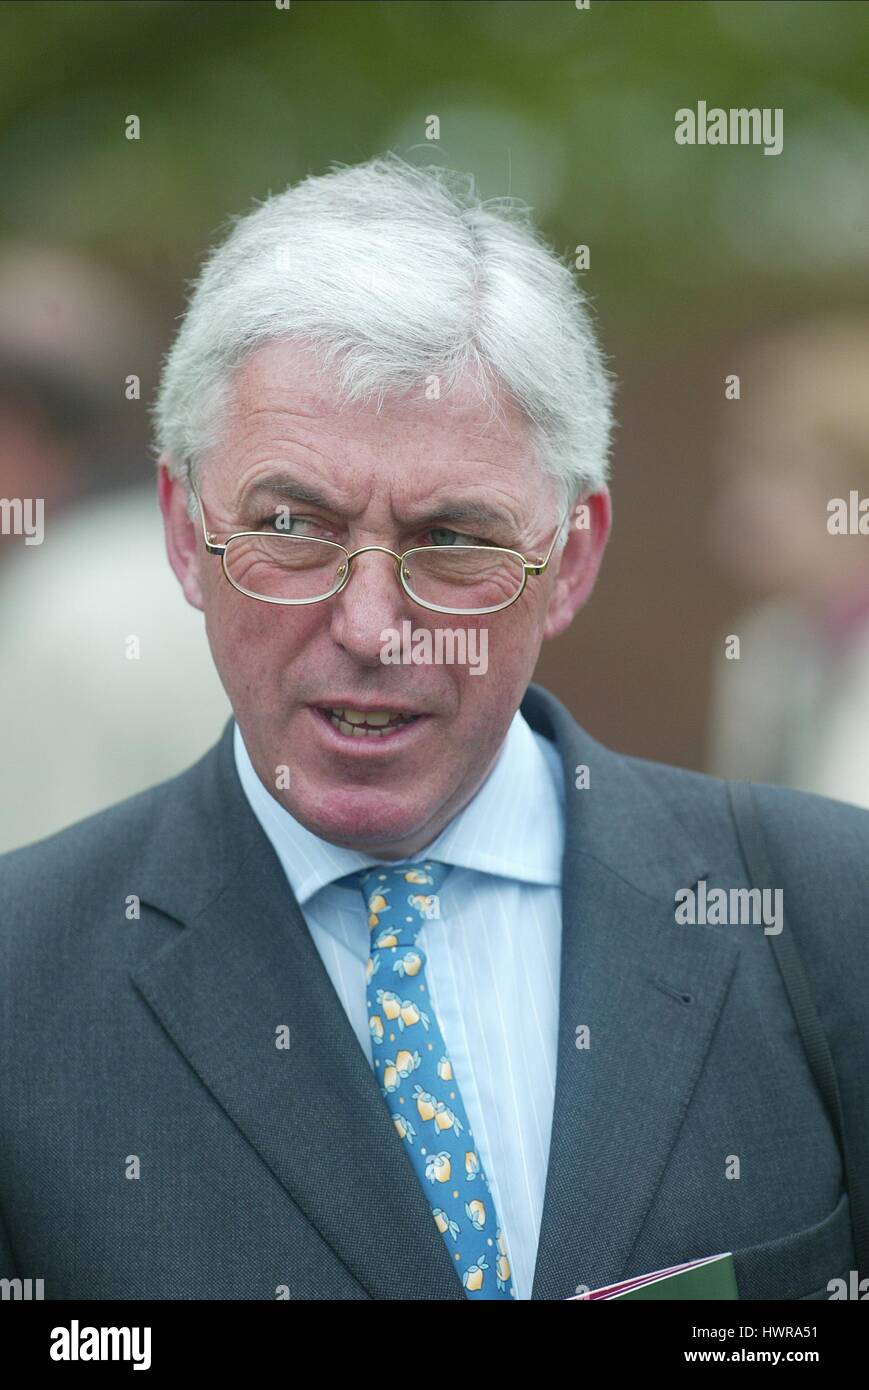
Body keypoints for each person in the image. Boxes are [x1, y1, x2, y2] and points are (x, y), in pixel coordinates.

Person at [1, 155, 866, 1302]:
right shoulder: (23, 983)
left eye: (453, 539)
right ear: (180, 529)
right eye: (293, 525)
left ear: (569, 558)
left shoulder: (824, 912)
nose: (371, 626)